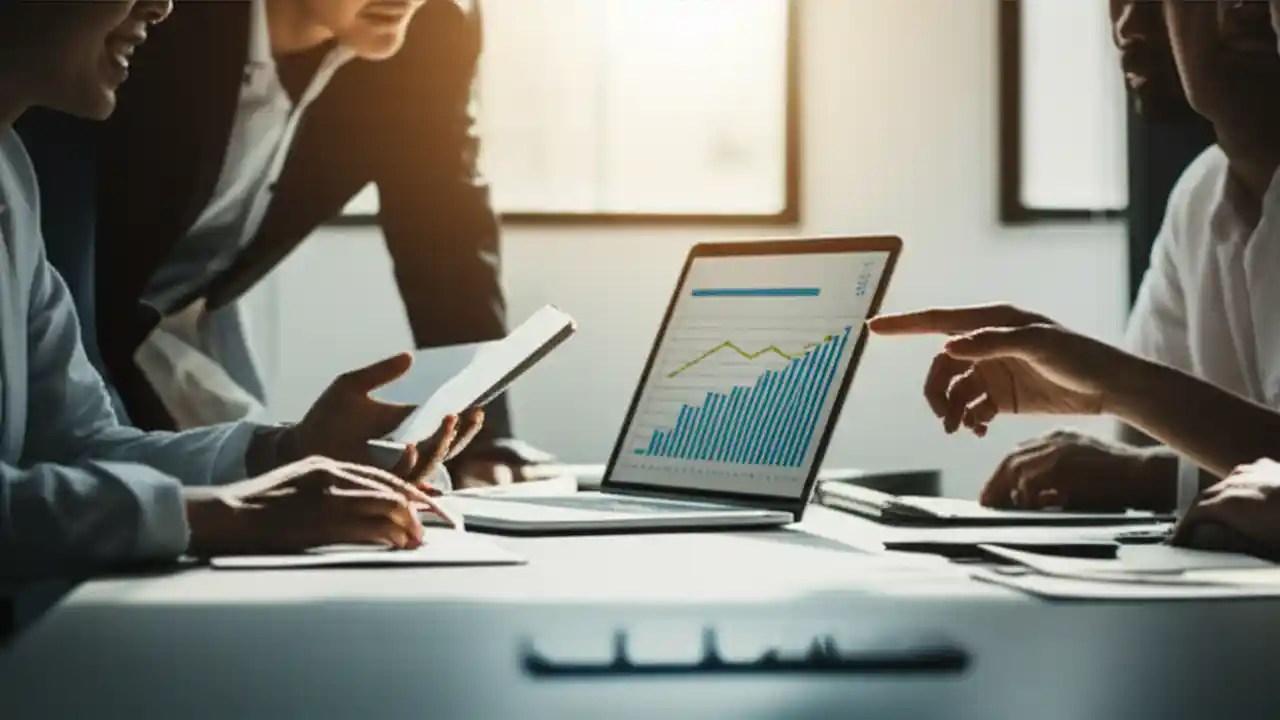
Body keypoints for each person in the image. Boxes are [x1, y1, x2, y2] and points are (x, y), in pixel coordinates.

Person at [0, 0, 482, 582]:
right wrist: (219, 516)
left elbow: (77, 446)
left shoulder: (12, 175)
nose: (162, 6)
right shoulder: (177, 59)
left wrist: (287, 452)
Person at [41, 0, 546, 487]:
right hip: (63, 308)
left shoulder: (436, 27)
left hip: (187, 320)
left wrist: (482, 437)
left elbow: (445, 233)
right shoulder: (151, 20)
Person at [930, 0, 1280, 513]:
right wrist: (1104, 402)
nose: (1127, 27)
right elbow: (1143, 444)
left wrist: (1112, 389)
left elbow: (1143, 456)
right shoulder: (1201, 193)